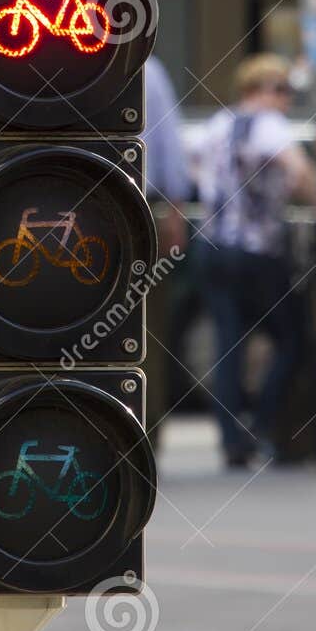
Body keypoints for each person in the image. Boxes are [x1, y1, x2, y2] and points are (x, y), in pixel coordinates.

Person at [196, 54, 316, 469]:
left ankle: (232, 442)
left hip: (212, 246)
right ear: (257, 90)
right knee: (292, 339)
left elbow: (196, 170)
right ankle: (263, 425)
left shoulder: (216, 124)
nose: (286, 99)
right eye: (280, 89)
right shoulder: (268, 125)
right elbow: (297, 168)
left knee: (228, 345)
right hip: (258, 249)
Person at [142, 53, 191, 455]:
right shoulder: (146, 67)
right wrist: (176, 211)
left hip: (75, 209)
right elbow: (168, 143)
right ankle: (144, 433)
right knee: (147, 333)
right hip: (144, 210)